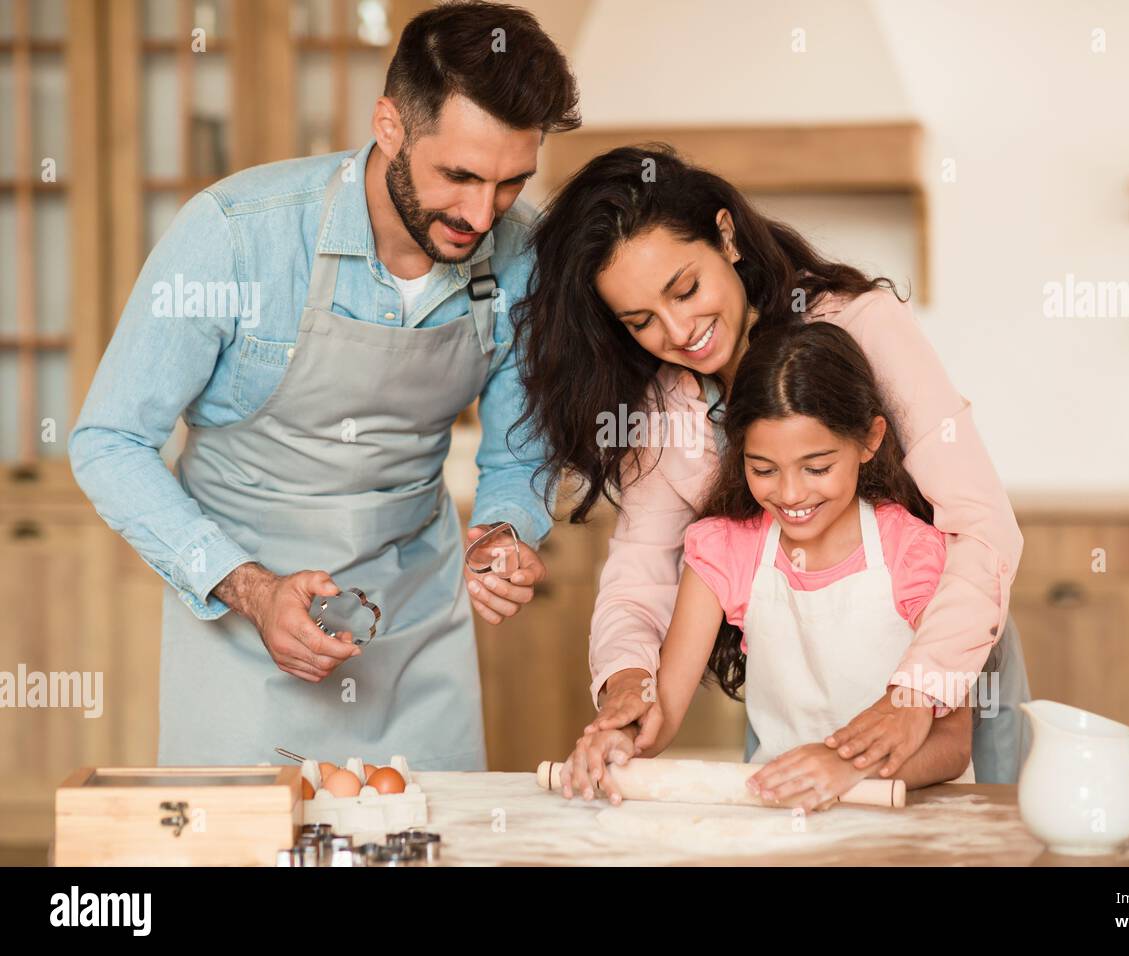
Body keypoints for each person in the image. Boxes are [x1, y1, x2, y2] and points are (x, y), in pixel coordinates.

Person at [68, 3, 579, 769]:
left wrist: (506, 532)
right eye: (460, 176)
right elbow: (108, 442)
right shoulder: (237, 235)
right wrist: (249, 589)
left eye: (510, 183)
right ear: (389, 126)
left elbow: (519, 449)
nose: (481, 214)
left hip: (417, 633)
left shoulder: (523, 256)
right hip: (241, 630)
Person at [515, 145, 1031, 788]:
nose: (679, 331)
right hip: (797, 691)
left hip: (945, 668)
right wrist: (627, 689)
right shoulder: (661, 408)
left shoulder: (863, 328)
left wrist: (914, 695)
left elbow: (983, 527)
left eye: (687, 288)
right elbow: (640, 572)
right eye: (641, 320)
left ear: (726, 237)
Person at [560, 323, 975, 808]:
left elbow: (951, 744)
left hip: (906, 821)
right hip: (783, 816)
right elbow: (664, 709)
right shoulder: (724, 549)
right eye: (763, 469)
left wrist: (845, 767)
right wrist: (624, 735)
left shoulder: (913, 550)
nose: (792, 494)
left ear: (869, 440)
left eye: (816, 468)